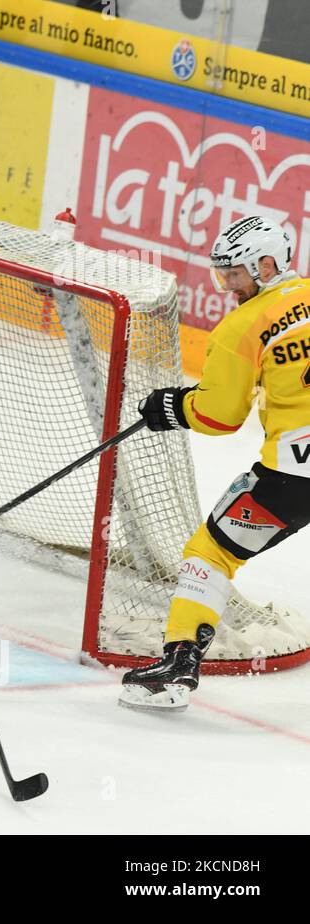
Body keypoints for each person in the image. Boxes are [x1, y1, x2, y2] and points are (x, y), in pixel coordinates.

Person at [122, 215, 310, 710]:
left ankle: (179, 666)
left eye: (236, 273)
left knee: (211, 552)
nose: (227, 285)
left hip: (292, 482)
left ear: (267, 265)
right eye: (222, 273)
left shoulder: (244, 325)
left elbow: (221, 415)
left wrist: (172, 406)